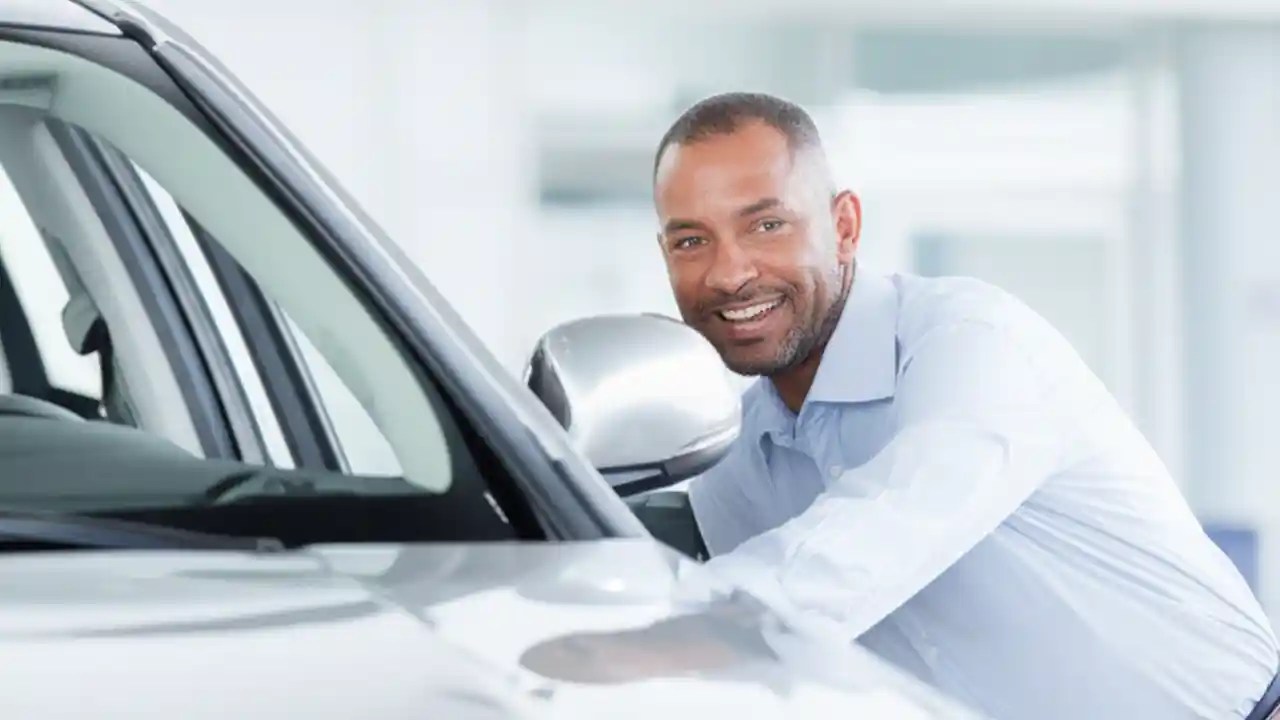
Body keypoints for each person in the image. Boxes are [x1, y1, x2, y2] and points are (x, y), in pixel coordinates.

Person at [651, 91, 1280, 719]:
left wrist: (629, 641)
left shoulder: (970, 342)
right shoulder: (732, 471)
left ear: (844, 227)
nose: (729, 274)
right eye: (691, 242)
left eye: (766, 225)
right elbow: (779, 664)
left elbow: (873, 539)